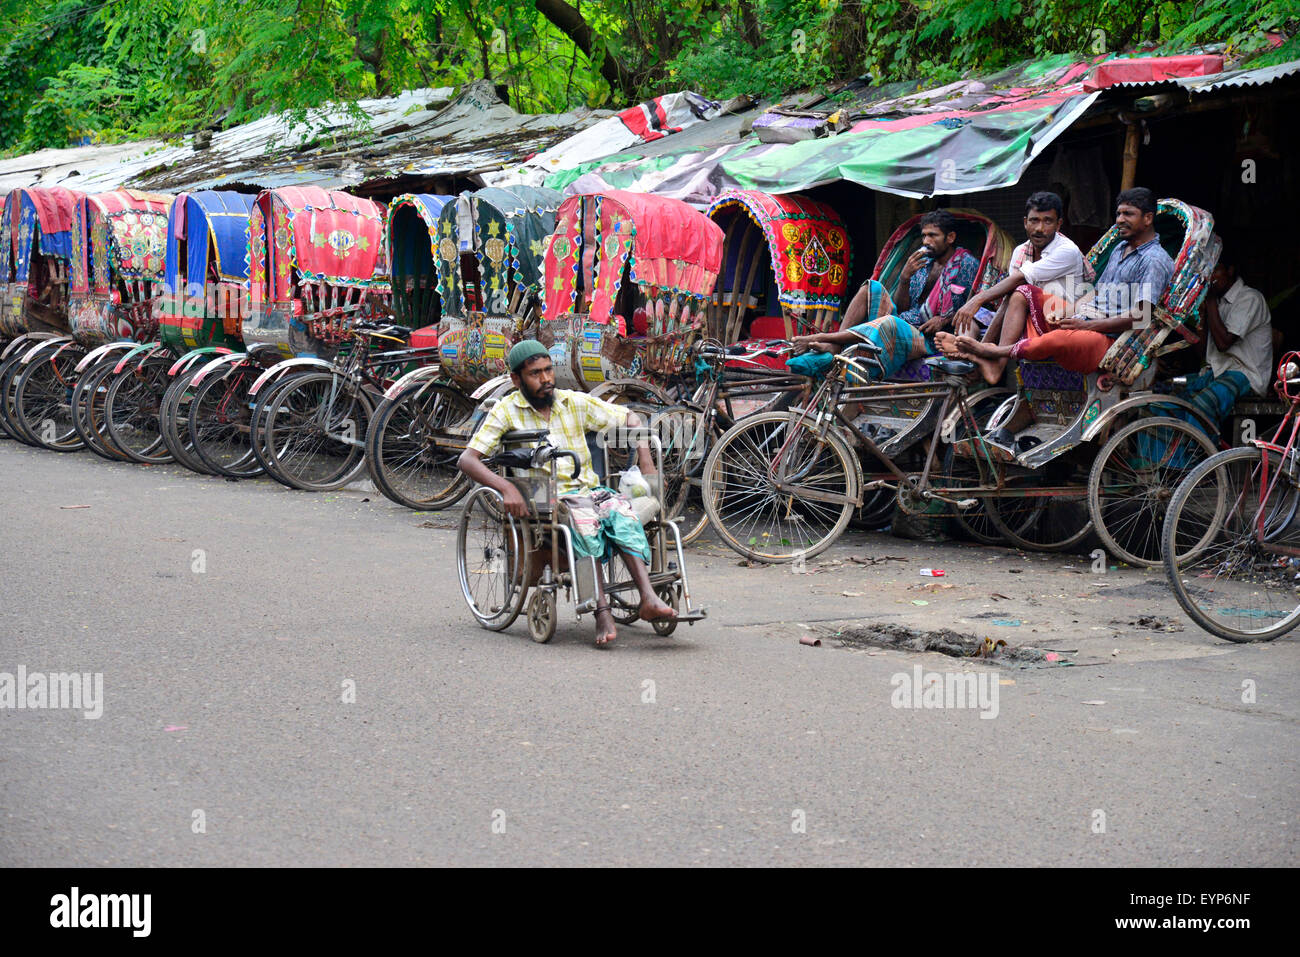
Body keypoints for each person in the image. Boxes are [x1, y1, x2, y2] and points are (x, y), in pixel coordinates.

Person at [457, 339, 675, 647]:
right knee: (585, 522)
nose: (546, 379)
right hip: (545, 498)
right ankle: (601, 612)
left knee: (622, 514)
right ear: (517, 379)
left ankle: (648, 597)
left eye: (548, 370)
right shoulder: (506, 411)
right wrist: (505, 487)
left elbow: (631, 419)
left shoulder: (573, 402)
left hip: (589, 491)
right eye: (535, 373)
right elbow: (467, 459)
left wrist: (646, 460)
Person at [944, 188, 1175, 448]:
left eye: (1128, 214)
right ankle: (994, 356)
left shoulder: (1154, 260)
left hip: (1112, 339)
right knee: (1023, 293)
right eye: (1119, 213)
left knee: (1056, 339)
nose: (1120, 220)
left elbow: (1141, 315)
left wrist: (1085, 324)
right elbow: (1096, 293)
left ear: (1147, 218)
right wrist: (1072, 312)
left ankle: (994, 351)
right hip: (1087, 318)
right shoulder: (1120, 249)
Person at [786, 210, 979, 380]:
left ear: (950, 237)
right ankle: (834, 346)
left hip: (932, 339)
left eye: (933, 235)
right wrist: (904, 278)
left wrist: (944, 319)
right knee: (870, 287)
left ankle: (826, 338)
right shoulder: (924, 263)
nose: (926, 241)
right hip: (908, 323)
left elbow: (976, 308)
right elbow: (903, 308)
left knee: (889, 322)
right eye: (924, 235)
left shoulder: (966, 264)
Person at [935, 191, 1093, 384]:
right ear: (1025, 222)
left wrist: (977, 299)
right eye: (1034, 221)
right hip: (1029, 314)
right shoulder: (1021, 251)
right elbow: (1009, 294)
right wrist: (974, 308)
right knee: (975, 316)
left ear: (1059, 224)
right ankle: (973, 353)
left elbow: (1019, 280)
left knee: (1021, 291)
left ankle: (991, 363)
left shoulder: (1066, 250)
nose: (1039, 228)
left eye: (1048, 221)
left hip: (1063, 319)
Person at [1178, 245, 1273, 422]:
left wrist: (1211, 299)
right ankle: (1170, 449)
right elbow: (1202, 353)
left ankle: (1199, 450)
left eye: (1215, 270)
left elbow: (1223, 343)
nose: (1210, 277)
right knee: (1167, 399)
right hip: (1217, 372)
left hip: (1245, 376)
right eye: (1206, 272)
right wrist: (1202, 317)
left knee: (1202, 405)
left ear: (1230, 270)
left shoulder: (1249, 298)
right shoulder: (1218, 302)